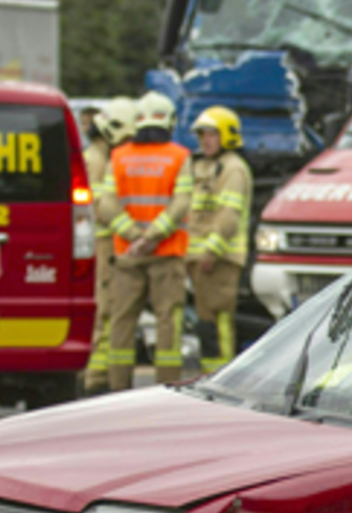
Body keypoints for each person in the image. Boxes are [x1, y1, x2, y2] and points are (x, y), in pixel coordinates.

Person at [97, 92, 193, 390]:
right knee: (168, 323)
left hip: (127, 255)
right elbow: (180, 205)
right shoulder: (179, 156)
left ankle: (117, 390)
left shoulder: (119, 156)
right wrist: (152, 237)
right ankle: (168, 388)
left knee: (122, 324)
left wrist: (133, 237)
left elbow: (106, 204)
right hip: (166, 254)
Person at [185, 106, 252, 373]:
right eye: (202, 134)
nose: (205, 140)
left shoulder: (233, 169)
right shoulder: (204, 166)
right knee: (206, 323)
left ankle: (221, 375)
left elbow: (228, 218)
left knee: (218, 322)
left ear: (227, 135)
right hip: (201, 259)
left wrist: (210, 252)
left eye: (211, 134)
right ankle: (211, 374)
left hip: (218, 260)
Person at [80, 96, 137, 395]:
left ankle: (96, 377)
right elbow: (100, 207)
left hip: (104, 242)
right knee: (104, 311)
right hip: (103, 243)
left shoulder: (98, 156)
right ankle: (95, 381)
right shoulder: (98, 160)